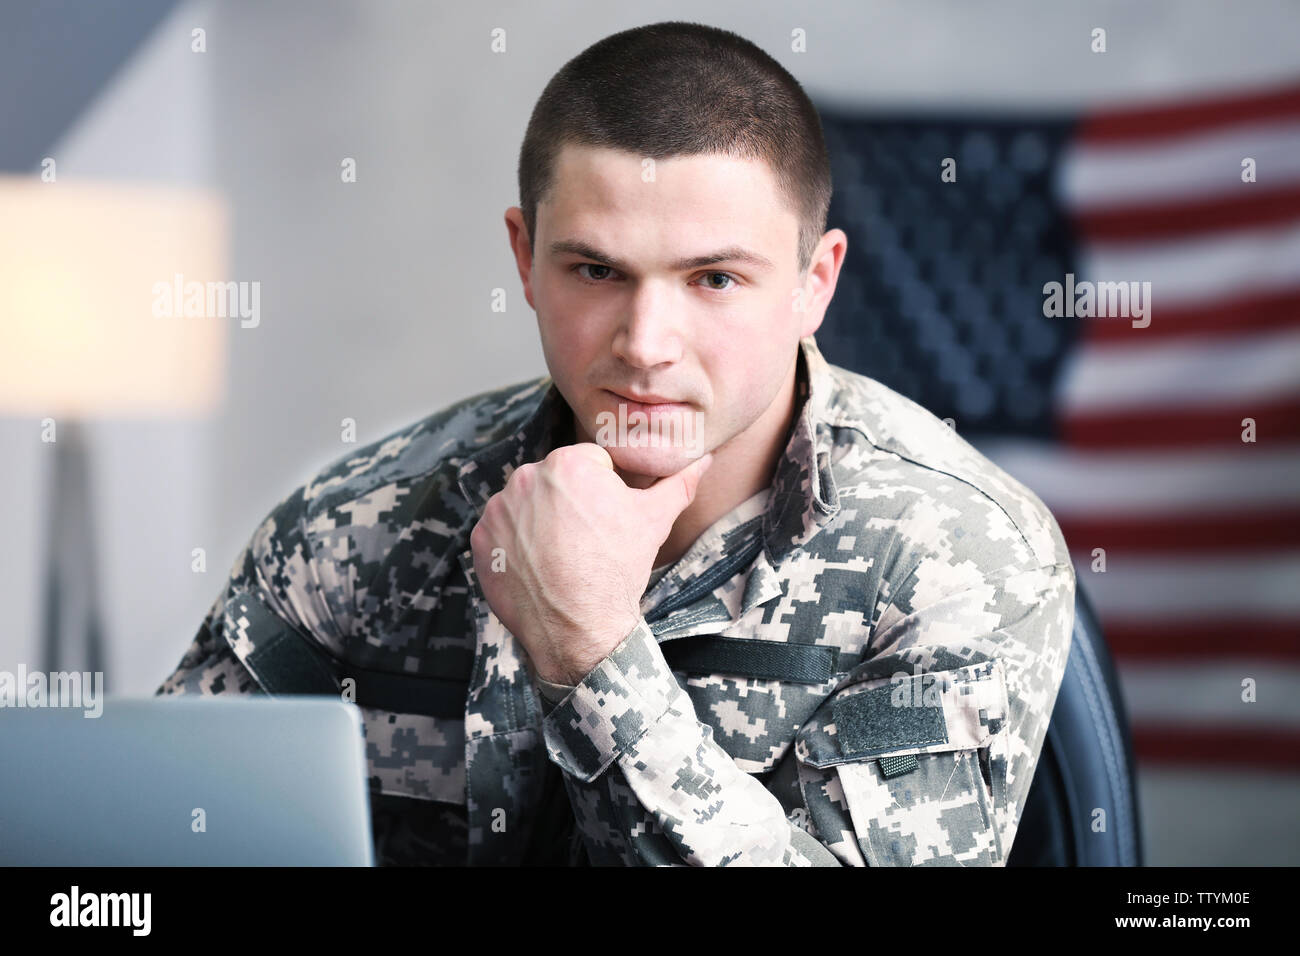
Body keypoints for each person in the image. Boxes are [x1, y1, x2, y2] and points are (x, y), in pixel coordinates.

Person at [156, 20, 1075, 866]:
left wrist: (589, 650)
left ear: (814, 283)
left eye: (714, 278)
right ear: (524, 258)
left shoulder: (962, 554)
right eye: (596, 270)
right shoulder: (352, 529)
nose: (644, 343)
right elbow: (151, 836)